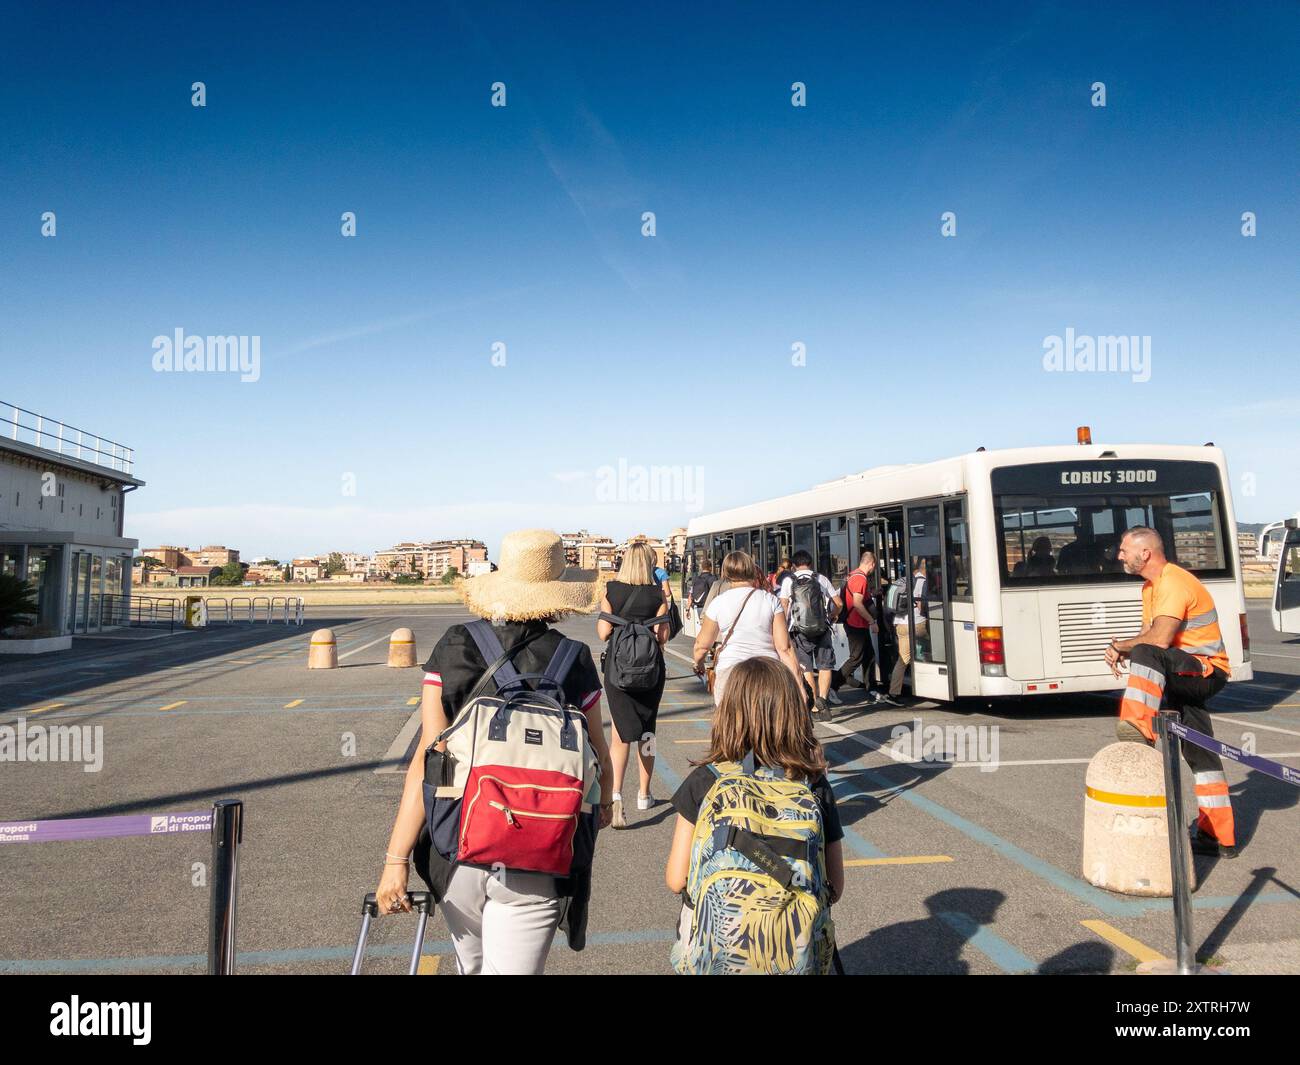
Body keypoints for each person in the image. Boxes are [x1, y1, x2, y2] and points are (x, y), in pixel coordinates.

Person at [375, 529, 615, 974]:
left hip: (457, 845)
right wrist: (599, 810)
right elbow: (598, 757)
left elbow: (426, 764)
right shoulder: (574, 658)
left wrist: (396, 861)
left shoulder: (453, 645)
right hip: (541, 850)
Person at [665, 656, 845, 968]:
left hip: (719, 952)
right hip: (794, 954)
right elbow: (835, 886)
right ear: (792, 713)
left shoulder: (707, 779)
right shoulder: (813, 785)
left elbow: (677, 878)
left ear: (728, 713)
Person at [1105, 526, 1237, 858]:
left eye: (1124, 550)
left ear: (1145, 553)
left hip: (1204, 671)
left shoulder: (1173, 581)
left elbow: (1158, 641)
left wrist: (1121, 646)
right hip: (1182, 671)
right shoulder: (1151, 588)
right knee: (1199, 752)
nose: (1119, 555)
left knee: (1146, 652)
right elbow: (1149, 633)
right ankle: (1218, 836)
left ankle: (1139, 724)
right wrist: (1125, 648)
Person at [597, 542, 670, 829]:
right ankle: (645, 793)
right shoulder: (657, 594)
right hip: (651, 671)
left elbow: (604, 633)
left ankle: (616, 796)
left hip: (619, 672)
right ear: (650, 563)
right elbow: (662, 635)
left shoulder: (612, 590)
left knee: (619, 737)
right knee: (648, 732)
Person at [692, 550, 800, 705]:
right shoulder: (771, 600)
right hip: (768, 670)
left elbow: (701, 646)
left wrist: (699, 664)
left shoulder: (718, 603)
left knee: (728, 725)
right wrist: (799, 685)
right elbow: (785, 649)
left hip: (731, 670)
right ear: (751, 570)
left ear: (725, 572)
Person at [778, 550, 842, 721]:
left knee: (805, 667)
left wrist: (782, 627)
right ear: (811, 563)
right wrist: (832, 616)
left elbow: (783, 605)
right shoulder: (821, 579)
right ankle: (823, 699)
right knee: (825, 666)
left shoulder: (788, 581)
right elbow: (839, 603)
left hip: (798, 630)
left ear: (793, 565)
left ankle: (814, 704)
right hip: (822, 629)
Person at [839, 550, 883, 704]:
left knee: (869, 656)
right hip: (856, 623)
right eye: (874, 566)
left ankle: (871, 688)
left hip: (856, 622)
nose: (873, 570)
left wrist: (872, 594)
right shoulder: (860, 579)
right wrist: (872, 621)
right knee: (856, 658)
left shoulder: (854, 575)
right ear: (871, 564)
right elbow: (857, 603)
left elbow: (859, 597)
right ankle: (833, 683)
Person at [687, 558, 717, 623]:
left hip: (699, 608)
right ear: (710, 567)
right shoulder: (713, 578)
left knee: (702, 626)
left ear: (702, 568)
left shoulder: (696, 579)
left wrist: (688, 609)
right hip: (709, 608)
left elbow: (690, 595)